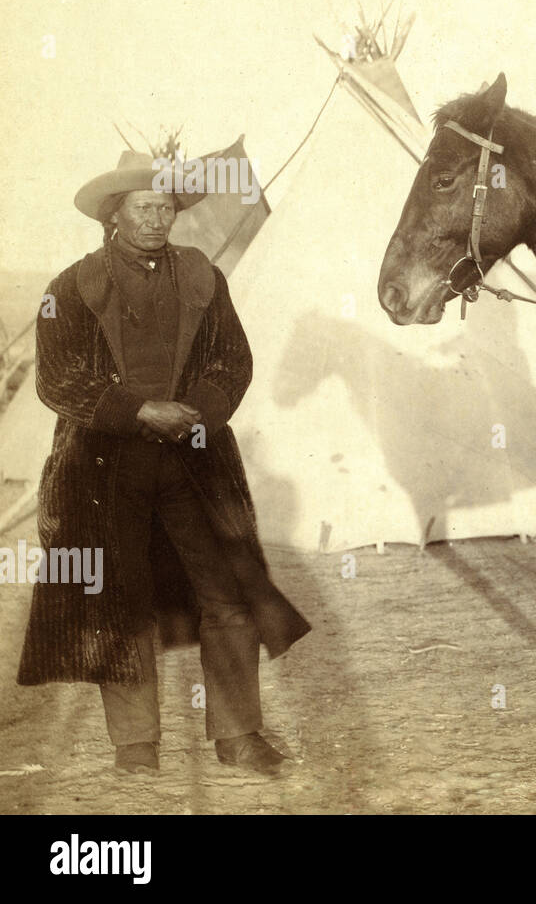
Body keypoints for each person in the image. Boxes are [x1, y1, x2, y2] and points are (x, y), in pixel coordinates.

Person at [17, 151, 310, 775]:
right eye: (143, 208)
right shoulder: (70, 287)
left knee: (227, 595)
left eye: (165, 208)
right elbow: (57, 379)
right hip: (102, 469)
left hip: (194, 463)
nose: (157, 219)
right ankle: (136, 749)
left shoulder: (203, 275)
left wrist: (195, 412)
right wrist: (139, 410)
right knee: (119, 604)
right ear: (114, 215)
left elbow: (231, 360)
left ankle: (237, 737)